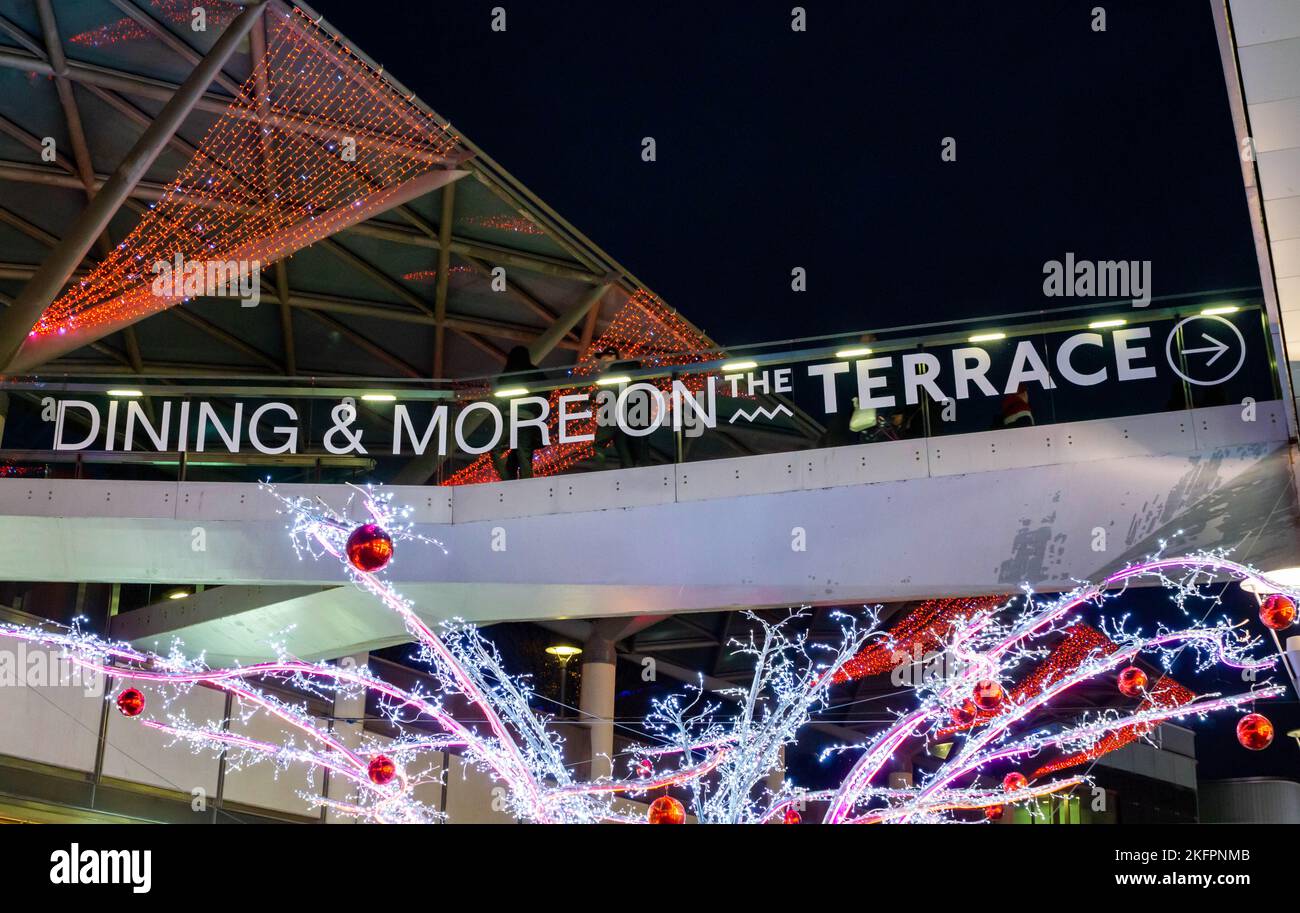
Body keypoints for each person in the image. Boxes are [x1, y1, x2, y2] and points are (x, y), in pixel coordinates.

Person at [490, 346, 545, 480]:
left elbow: (498, 394)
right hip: (527, 417)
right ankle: (525, 482)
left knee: (497, 449)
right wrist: (534, 408)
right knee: (523, 452)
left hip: (511, 415)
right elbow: (545, 391)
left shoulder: (508, 373)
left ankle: (507, 479)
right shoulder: (535, 373)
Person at [592, 346, 650, 468]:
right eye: (602, 359)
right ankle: (631, 467)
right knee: (625, 444)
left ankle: (629, 467)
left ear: (614, 358)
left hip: (623, 414)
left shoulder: (616, 374)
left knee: (621, 444)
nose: (602, 362)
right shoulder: (616, 374)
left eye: (605, 358)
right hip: (629, 416)